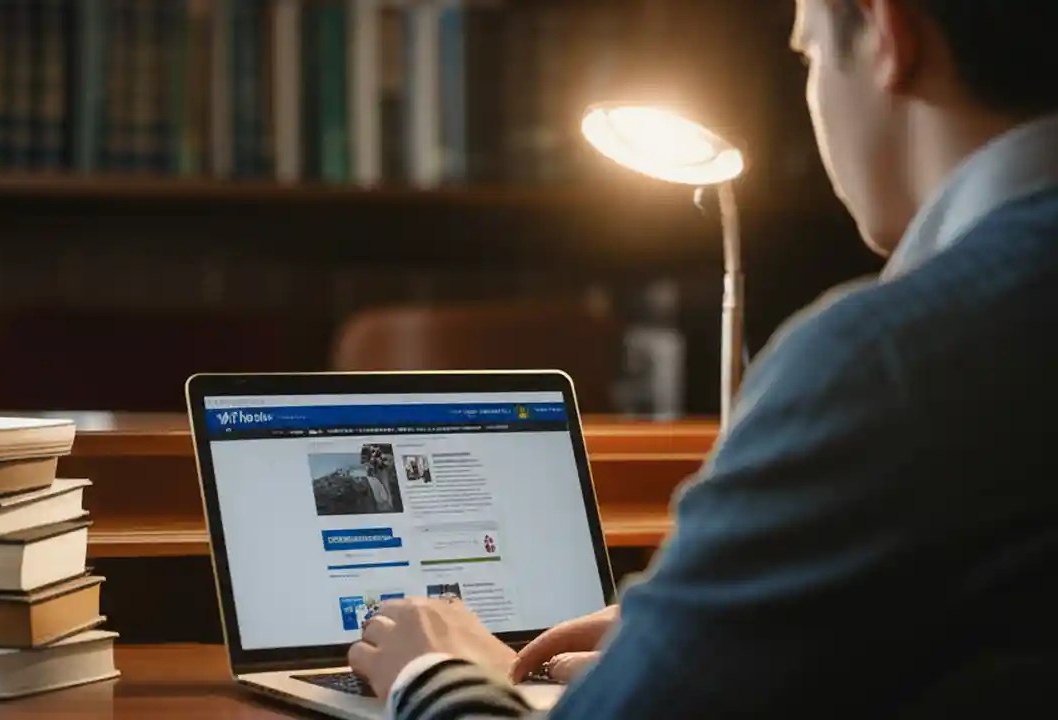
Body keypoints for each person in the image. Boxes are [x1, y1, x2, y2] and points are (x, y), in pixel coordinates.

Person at [347, 0, 1058, 717]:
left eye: (807, 53)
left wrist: (433, 667)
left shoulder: (882, 364)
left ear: (884, 34)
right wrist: (702, 629)